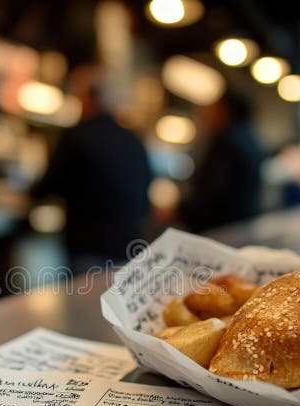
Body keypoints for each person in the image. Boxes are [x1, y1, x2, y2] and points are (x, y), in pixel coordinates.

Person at [31, 65, 153, 273]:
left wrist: (26, 193)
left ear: (88, 97)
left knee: (86, 294)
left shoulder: (76, 137)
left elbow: (48, 186)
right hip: (130, 247)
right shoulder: (132, 139)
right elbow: (146, 193)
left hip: (89, 249)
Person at [180, 91, 265, 233]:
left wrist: (180, 212)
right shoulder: (251, 139)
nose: (206, 113)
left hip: (219, 229)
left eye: (212, 108)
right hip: (242, 225)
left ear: (224, 110)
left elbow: (213, 195)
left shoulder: (227, 142)